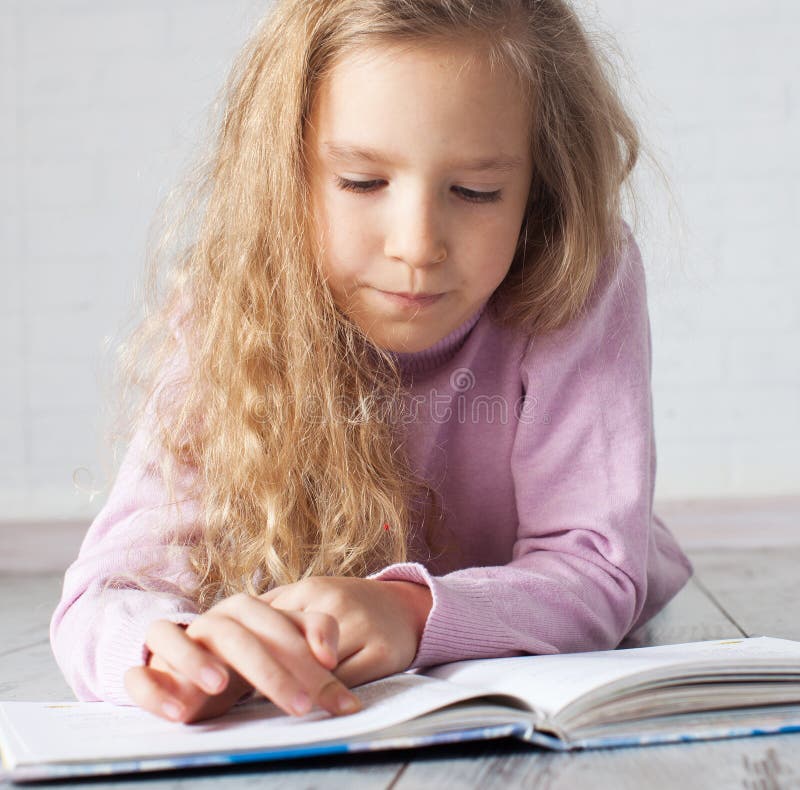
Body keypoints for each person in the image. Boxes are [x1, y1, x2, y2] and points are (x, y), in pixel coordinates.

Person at [50, 0, 693, 726]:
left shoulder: (580, 274)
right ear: (286, 171)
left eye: (477, 191)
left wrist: (409, 609)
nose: (417, 246)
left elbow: (594, 566)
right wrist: (177, 651)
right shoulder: (232, 298)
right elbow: (102, 596)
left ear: (538, 190)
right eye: (361, 182)